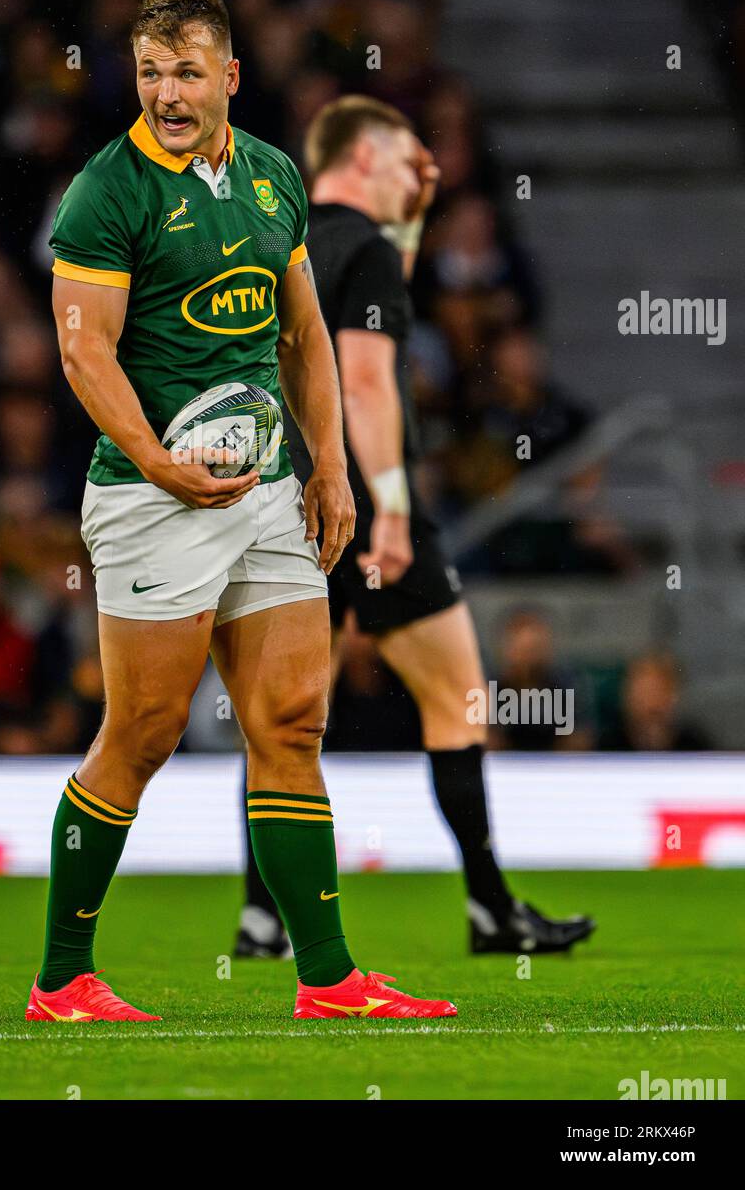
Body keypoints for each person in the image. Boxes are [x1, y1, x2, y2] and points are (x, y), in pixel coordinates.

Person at [28, 0, 457, 1023]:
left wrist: (330, 469)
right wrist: (160, 464)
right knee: (142, 729)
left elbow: (303, 332)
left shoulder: (270, 177)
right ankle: (61, 981)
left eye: (185, 72)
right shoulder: (107, 192)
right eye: (148, 73)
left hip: (266, 487)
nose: (166, 94)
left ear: (227, 76)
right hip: (150, 496)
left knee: (291, 718)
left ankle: (328, 979)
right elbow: (82, 350)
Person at [234, 95, 595, 959]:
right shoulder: (366, 253)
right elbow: (361, 385)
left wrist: (408, 220)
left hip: (280, 504)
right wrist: (391, 505)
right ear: (362, 160)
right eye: (406, 162)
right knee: (457, 699)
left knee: (282, 719)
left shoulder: (279, 242)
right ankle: (489, 908)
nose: (419, 176)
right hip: (361, 502)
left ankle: (261, 916)